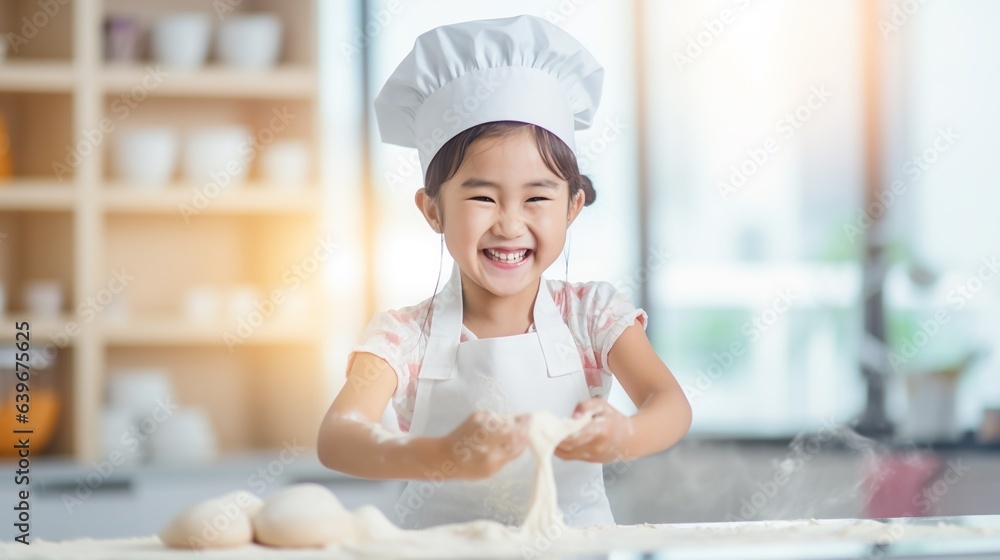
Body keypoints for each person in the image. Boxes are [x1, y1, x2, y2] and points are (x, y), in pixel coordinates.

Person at [317, 14, 692, 530]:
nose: (510, 224)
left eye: (537, 197)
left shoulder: (592, 315)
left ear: (572, 208)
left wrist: (625, 434)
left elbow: (669, 403)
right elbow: (339, 436)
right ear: (432, 210)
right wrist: (439, 454)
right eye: (483, 197)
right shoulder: (405, 336)